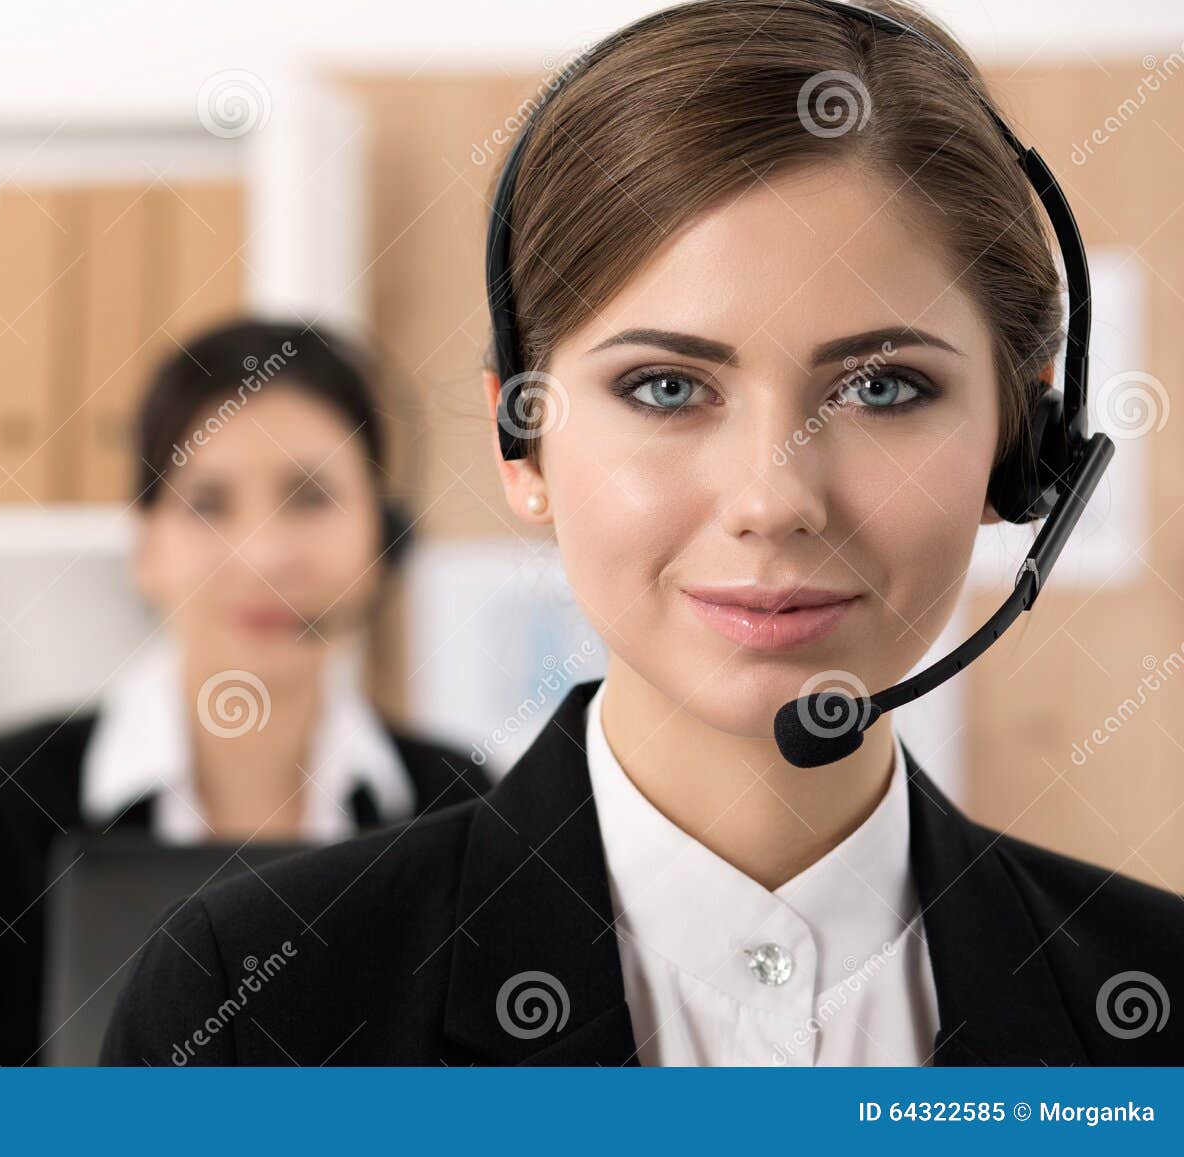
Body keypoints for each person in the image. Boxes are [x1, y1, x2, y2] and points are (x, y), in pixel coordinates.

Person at [100, 0, 1184, 1067]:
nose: (773, 497)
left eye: (884, 386)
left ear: (1022, 438)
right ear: (518, 442)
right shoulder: (254, 1007)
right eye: (666, 385)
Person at [0, 319, 491, 1065]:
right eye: (208, 503)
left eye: (311, 496)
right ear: (146, 548)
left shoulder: (457, 803)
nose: (262, 554)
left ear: (384, 537)